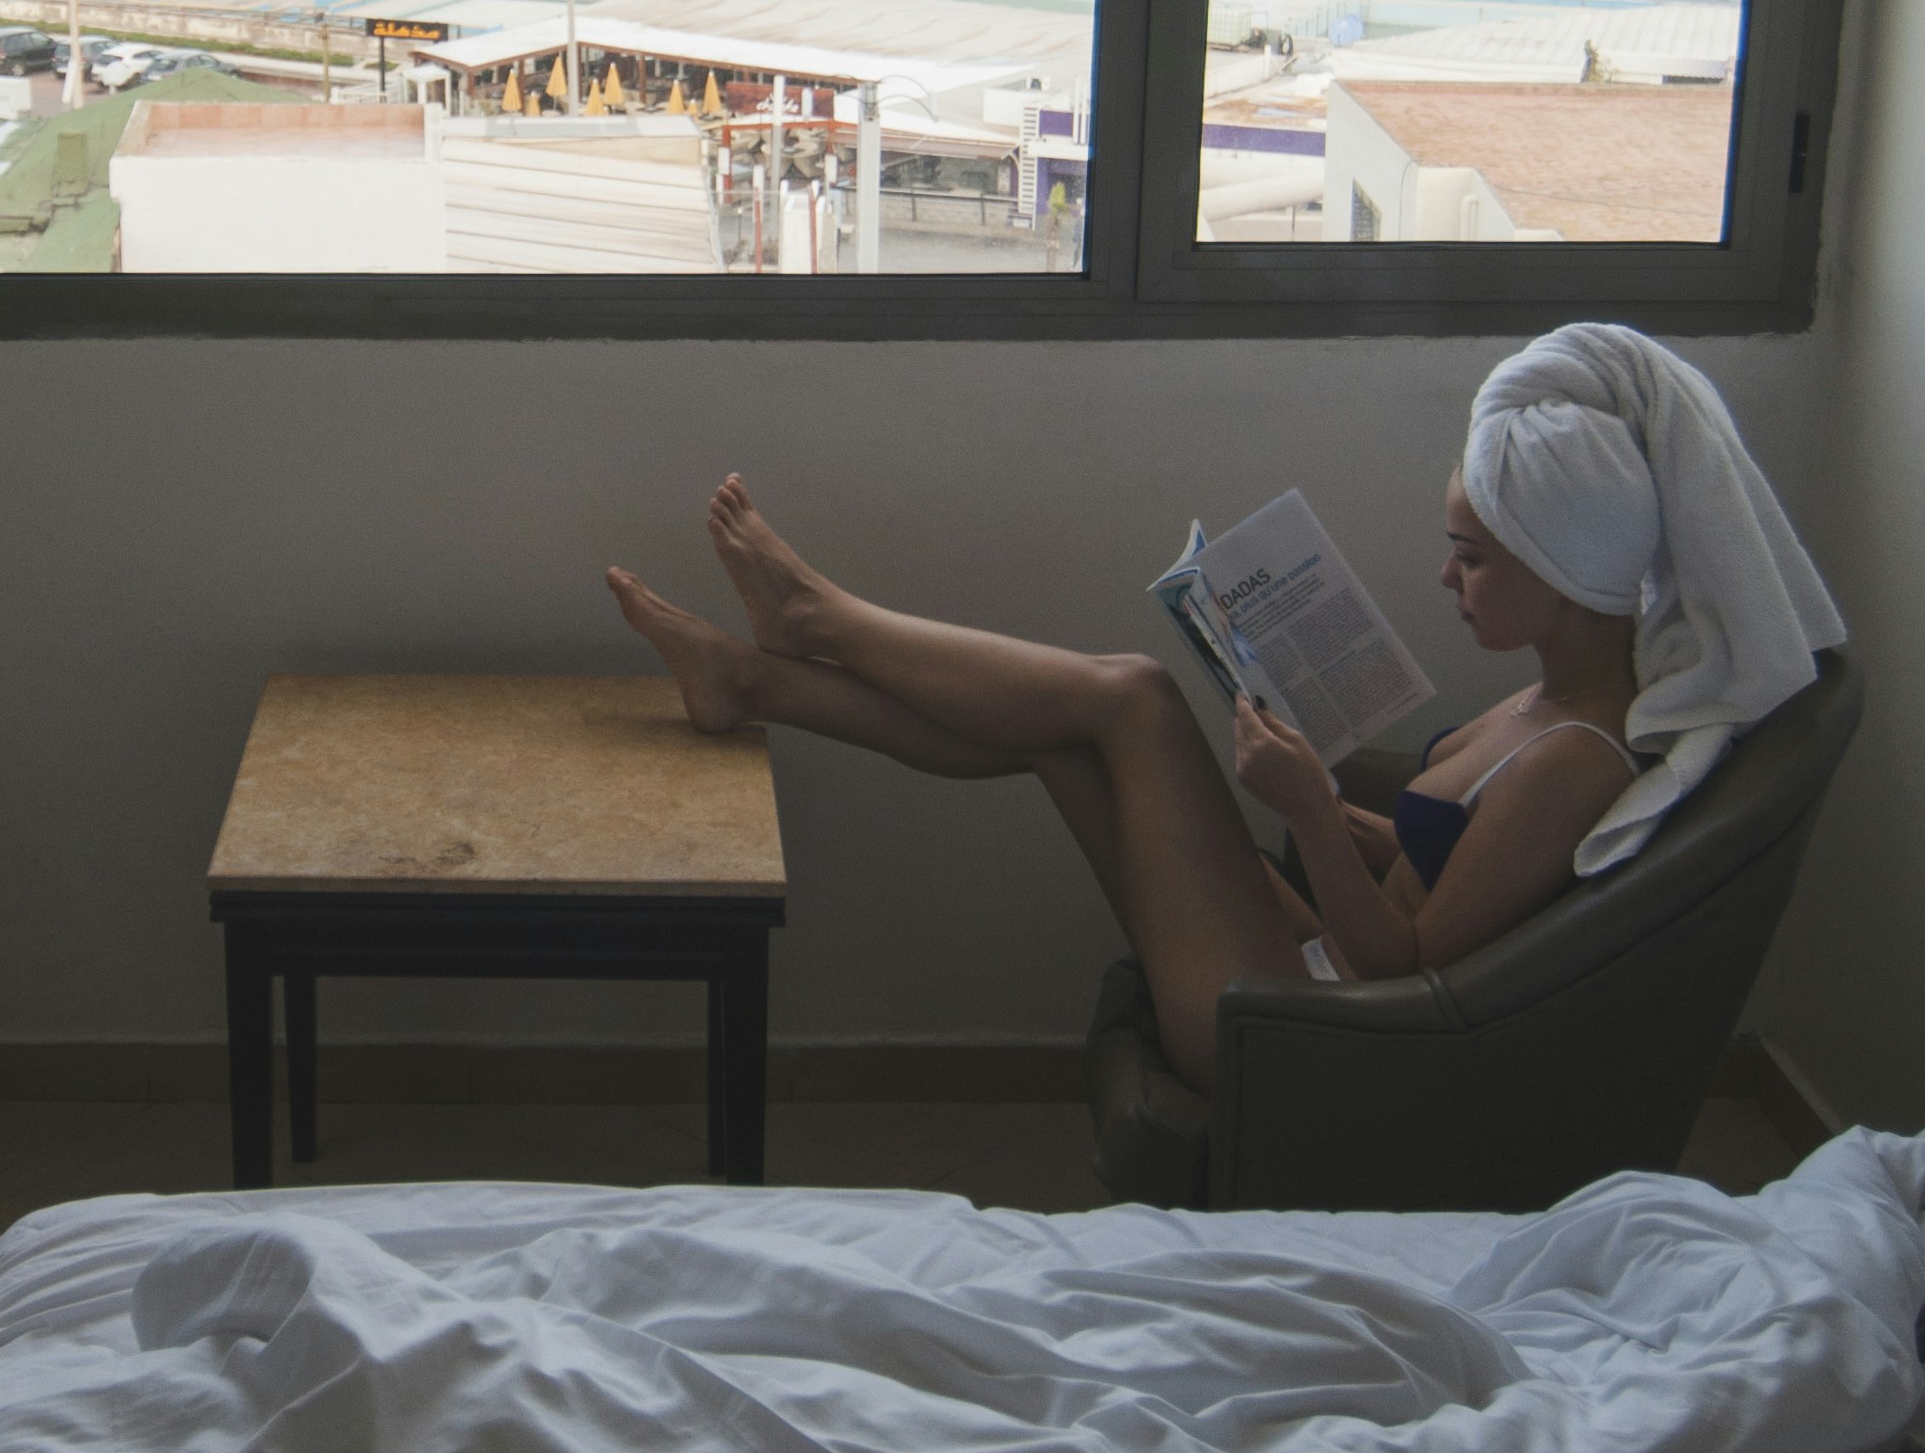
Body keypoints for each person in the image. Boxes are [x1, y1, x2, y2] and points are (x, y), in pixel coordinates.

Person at [606, 323, 1841, 1096]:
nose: (1445, 579)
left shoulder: (1574, 757)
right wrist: (1315, 796)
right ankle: (756, 677)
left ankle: (814, 619)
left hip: (1313, 1035)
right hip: (1318, 971)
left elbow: (1402, 960)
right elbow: (1433, 873)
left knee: (1130, 699)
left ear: (1562, 571)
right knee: (1064, 737)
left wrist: (1306, 806)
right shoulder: (1551, 696)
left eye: (1471, 557)